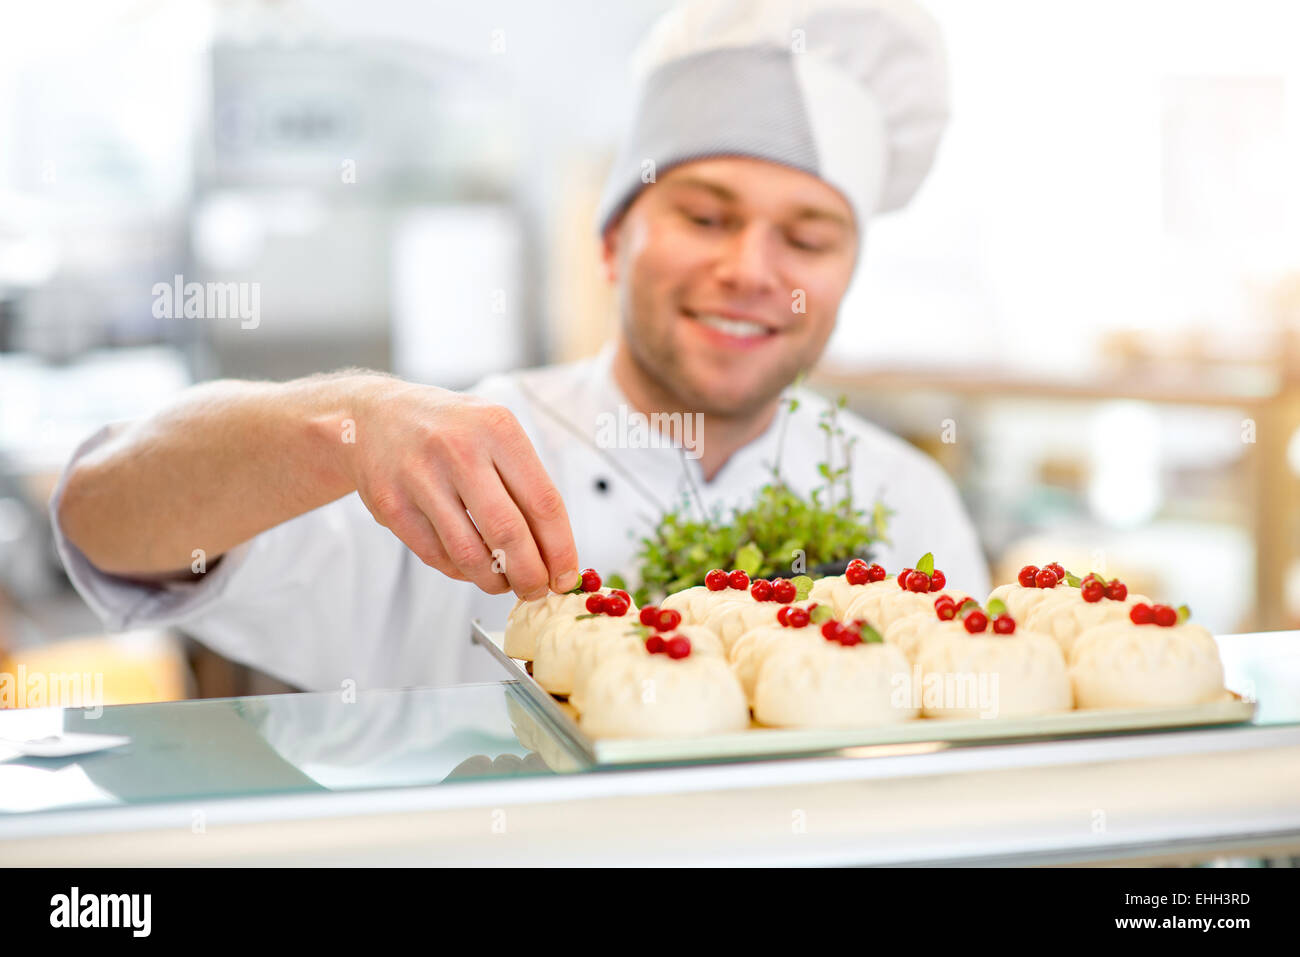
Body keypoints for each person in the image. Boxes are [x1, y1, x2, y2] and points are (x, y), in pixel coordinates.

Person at [51, 0, 989, 692]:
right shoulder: (441, 458)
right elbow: (103, 519)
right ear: (613, 240)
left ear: (846, 271)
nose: (750, 268)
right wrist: (351, 424)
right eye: (706, 215)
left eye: (808, 237)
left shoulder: (909, 504)